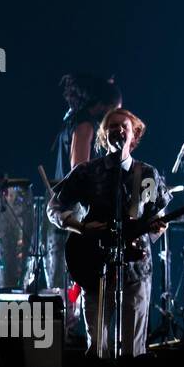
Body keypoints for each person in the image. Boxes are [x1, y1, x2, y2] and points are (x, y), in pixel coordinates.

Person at [47, 108, 168, 358]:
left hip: (135, 272)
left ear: (134, 134)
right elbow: (55, 207)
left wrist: (157, 226)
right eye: (112, 126)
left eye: (123, 125)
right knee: (97, 349)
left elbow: (158, 216)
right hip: (95, 271)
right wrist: (79, 226)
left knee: (133, 352)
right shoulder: (87, 172)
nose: (118, 130)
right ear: (103, 135)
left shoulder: (146, 175)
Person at [49, 73, 122, 346]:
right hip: (74, 216)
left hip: (64, 213)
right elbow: (80, 169)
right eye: (115, 113)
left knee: (64, 287)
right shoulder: (85, 126)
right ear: (103, 107)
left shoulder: (72, 120)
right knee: (73, 285)